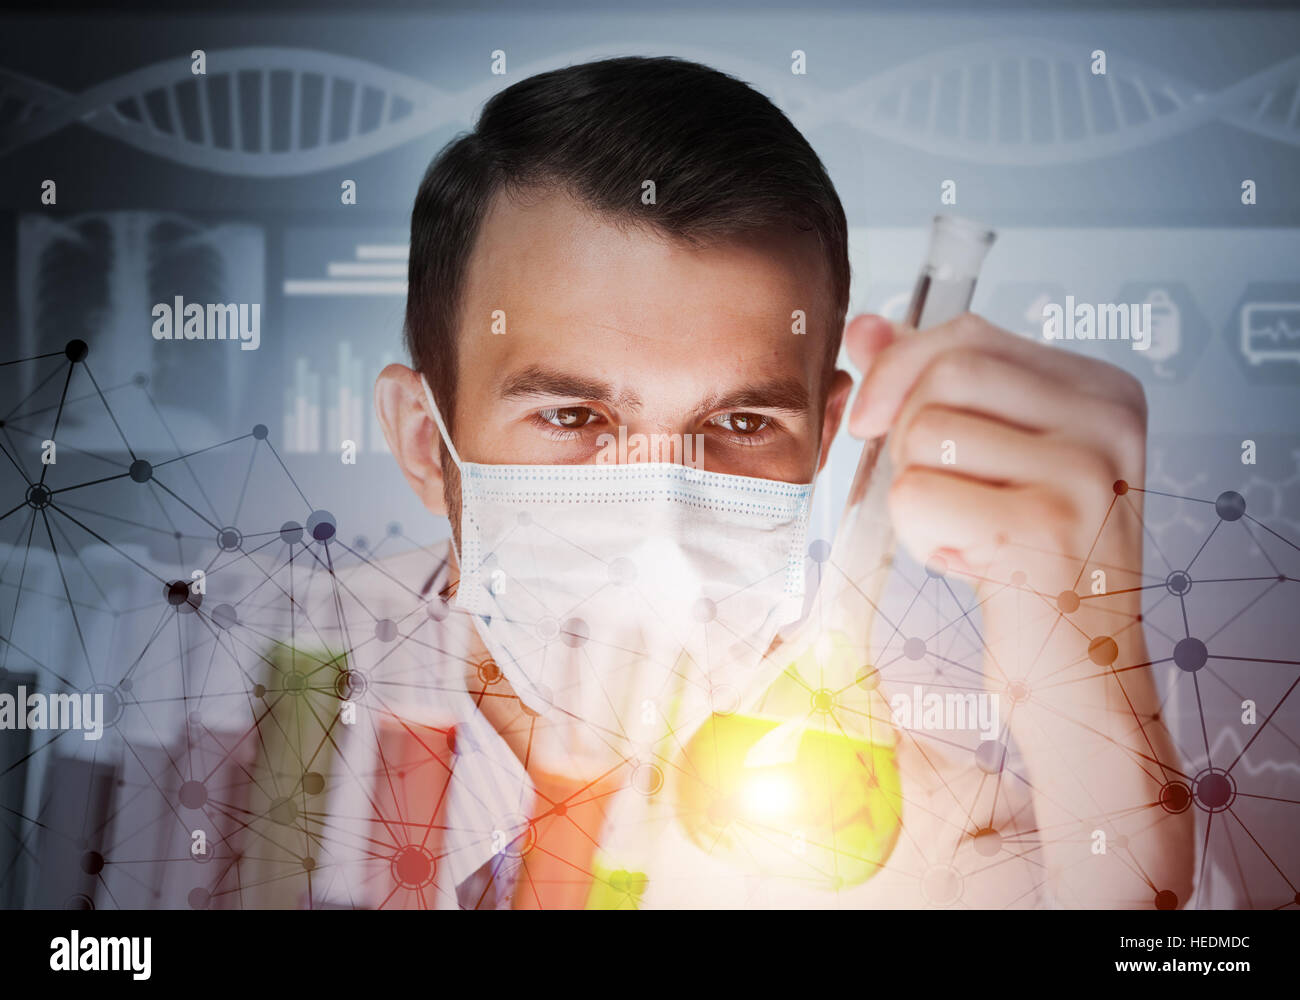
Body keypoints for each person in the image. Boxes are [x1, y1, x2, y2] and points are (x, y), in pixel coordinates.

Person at [373, 55, 1195, 909]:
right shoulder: (266, 722)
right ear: (427, 442)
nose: (658, 518)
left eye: (740, 424)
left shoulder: (944, 847)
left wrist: (1093, 711)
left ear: (829, 436)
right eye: (576, 417)